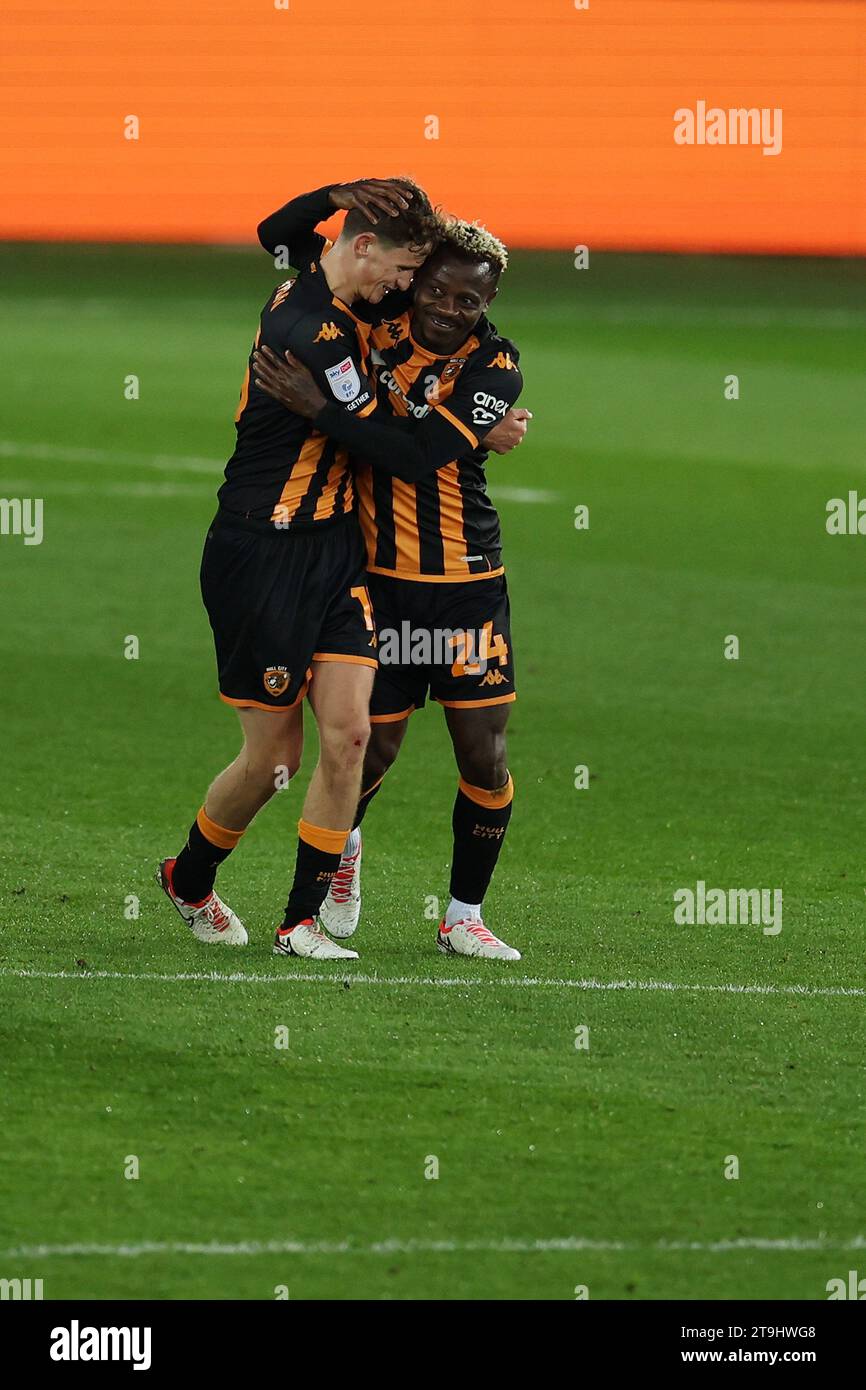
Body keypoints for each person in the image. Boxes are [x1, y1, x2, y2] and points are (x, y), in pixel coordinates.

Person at [157, 180, 440, 961]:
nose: (406, 288)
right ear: (360, 248)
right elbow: (382, 445)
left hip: (333, 548)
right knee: (275, 760)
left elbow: (273, 229)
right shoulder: (308, 329)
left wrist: (335, 190)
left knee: (348, 735)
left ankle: (299, 923)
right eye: (403, 269)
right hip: (260, 554)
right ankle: (189, 877)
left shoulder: (325, 285)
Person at [253, 188, 531, 960]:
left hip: (469, 590)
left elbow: (412, 457)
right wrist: (342, 193)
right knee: (368, 750)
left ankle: (463, 916)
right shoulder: (373, 319)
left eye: (468, 298)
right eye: (437, 290)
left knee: (485, 752)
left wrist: (324, 407)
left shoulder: (495, 368)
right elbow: (278, 238)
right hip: (380, 584)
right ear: (414, 280)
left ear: (491, 300)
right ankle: (344, 855)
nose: (448, 309)